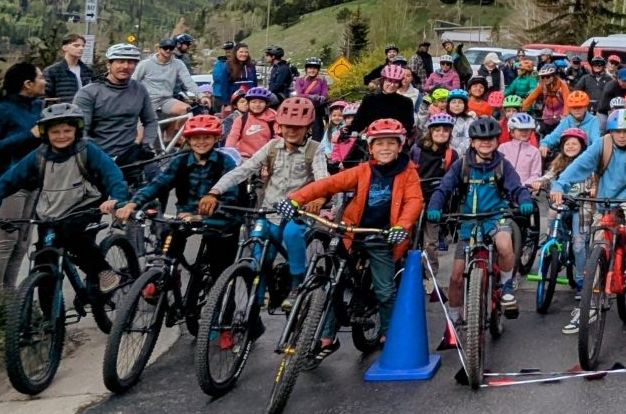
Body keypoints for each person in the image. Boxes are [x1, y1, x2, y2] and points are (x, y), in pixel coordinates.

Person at [284, 118, 424, 355]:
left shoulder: (408, 173)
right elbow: (329, 184)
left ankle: (389, 332)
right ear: (371, 148)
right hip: (353, 233)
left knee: (384, 290)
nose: (385, 148)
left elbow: (414, 201)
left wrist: (402, 226)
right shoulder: (363, 170)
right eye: (379, 144)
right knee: (334, 283)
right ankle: (327, 336)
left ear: (400, 146)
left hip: (383, 236)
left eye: (391, 143)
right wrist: (296, 199)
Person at [0, 103, 130, 303]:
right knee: (43, 259)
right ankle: (49, 317)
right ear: (45, 133)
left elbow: (113, 174)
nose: (61, 136)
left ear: (77, 130)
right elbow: (5, 183)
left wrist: (117, 198)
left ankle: (103, 271)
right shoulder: (39, 156)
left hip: (84, 206)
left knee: (73, 236)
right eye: (55, 132)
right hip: (51, 211)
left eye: (67, 131)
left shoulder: (87, 150)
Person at [552, 109, 626, 326]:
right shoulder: (602, 144)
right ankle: (590, 304)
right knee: (597, 245)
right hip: (605, 198)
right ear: (610, 132)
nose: (622, 136)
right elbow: (580, 165)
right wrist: (560, 184)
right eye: (617, 131)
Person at [426, 115, 532, 347]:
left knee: (504, 244)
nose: (485, 142)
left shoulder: (503, 165)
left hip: (496, 216)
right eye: (480, 139)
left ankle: (507, 285)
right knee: (456, 277)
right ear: (472, 142)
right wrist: (435, 206)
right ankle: (454, 319)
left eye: (490, 139)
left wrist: (524, 200)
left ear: (497, 141)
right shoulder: (462, 165)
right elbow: (444, 188)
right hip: (469, 221)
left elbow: (517, 187)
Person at [209, 99, 330, 287]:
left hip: (299, 212)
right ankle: (256, 299)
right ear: (280, 126)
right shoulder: (272, 146)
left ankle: (297, 281)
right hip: (270, 211)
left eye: (298, 127)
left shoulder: (315, 149)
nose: (291, 131)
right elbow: (243, 170)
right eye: (287, 126)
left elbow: (323, 178)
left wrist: (319, 198)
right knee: (260, 258)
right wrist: (215, 191)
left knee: (292, 233)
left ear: (308, 128)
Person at [125, 113, 242, 278]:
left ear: (216, 139)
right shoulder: (180, 161)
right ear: (188, 140)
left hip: (220, 219)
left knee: (219, 269)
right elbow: (159, 184)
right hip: (185, 216)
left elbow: (231, 197)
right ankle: (168, 276)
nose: (201, 142)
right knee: (167, 243)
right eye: (196, 138)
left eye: (207, 137)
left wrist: (201, 216)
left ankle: (217, 289)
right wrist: (133, 203)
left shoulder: (226, 162)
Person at [72, 43, 157, 176]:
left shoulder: (139, 89)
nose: (125, 66)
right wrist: (94, 156)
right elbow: (80, 131)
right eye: (120, 61)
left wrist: (147, 144)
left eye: (131, 62)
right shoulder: (89, 93)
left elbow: (150, 120)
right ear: (108, 64)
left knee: (160, 181)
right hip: (98, 156)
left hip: (130, 155)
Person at [0, 61, 43, 189]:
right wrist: (30, 135)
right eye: (41, 78)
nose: (45, 82)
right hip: (5, 183)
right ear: (28, 84)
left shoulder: (38, 107)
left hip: (36, 183)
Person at [132, 38, 199, 119]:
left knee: (187, 110)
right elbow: (133, 81)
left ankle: (174, 127)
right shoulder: (145, 64)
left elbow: (189, 81)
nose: (168, 50)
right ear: (159, 49)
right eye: (165, 48)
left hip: (167, 99)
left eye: (171, 48)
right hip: (149, 100)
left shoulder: (178, 64)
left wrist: (201, 95)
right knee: (142, 123)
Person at [223, 87, 278, 161]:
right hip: (245, 158)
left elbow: (279, 138)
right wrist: (227, 155)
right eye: (253, 102)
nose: (257, 105)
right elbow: (232, 138)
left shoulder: (273, 119)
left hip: (266, 158)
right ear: (248, 103)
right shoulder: (241, 120)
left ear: (266, 104)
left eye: (261, 102)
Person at [41, 34, 93, 101]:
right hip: (62, 107)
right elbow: (44, 96)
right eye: (76, 45)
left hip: (84, 107)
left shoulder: (88, 71)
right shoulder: (52, 71)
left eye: (83, 46)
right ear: (65, 48)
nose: (81, 48)